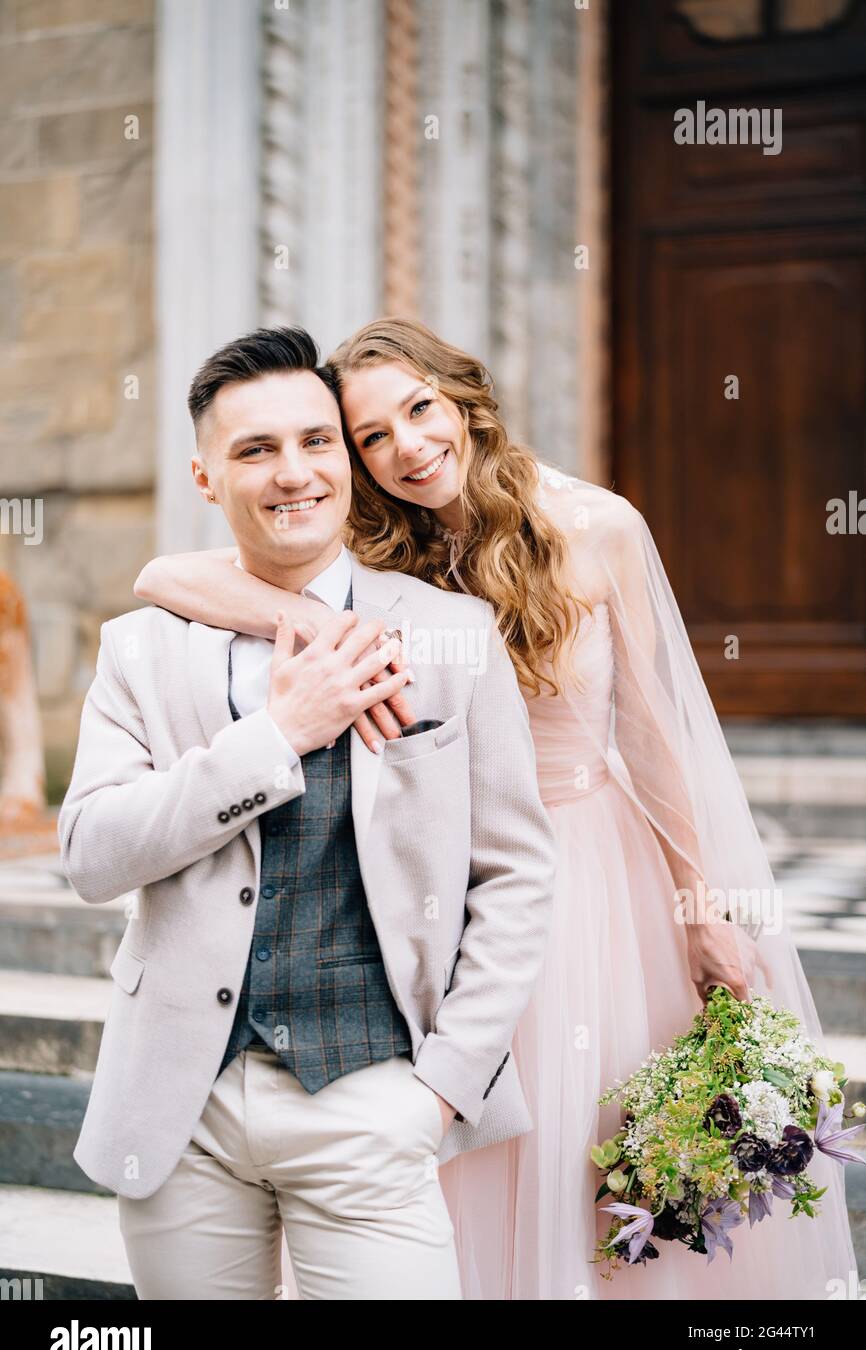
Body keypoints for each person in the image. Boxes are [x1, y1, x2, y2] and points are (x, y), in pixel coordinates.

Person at [135, 317, 859, 1300]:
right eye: (371, 437)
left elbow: (650, 735)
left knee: (598, 1137)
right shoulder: (377, 552)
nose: (406, 447)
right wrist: (297, 614)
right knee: (459, 1144)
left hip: (598, 870)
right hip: (442, 883)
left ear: (462, 398)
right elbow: (162, 576)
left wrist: (703, 909)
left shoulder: (597, 525)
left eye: (418, 410)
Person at [58, 326, 557, 1300]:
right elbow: (89, 855)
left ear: (345, 459)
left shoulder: (450, 636)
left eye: (315, 442)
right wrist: (276, 735)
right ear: (206, 477)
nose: (292, 472)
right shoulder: (140, 650)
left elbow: (515, 873)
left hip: (375, 1098)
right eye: (253, 450)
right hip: (178, 1110)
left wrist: (441, 1086)